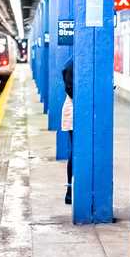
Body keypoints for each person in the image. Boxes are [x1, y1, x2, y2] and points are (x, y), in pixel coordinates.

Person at [61, 57, 74, 204]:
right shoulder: (71, 63)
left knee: (75, 150)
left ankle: (71, 190)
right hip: (73, 110)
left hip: (77, 109)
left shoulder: (72, 61)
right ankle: (69, 190)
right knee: (75, 150)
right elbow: (70, 90)